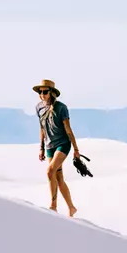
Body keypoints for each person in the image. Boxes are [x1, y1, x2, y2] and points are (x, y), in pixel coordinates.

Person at [33, 78, 81, 217]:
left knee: (50, 171)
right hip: (49, 146)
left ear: (52, 92)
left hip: (63, 144)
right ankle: (71, 208)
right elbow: (42, 128)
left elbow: (68, 128)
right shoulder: (39, 108)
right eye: (40, 92)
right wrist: (41, 148)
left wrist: (76, 149)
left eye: (45, 92)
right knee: (58, 177)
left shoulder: (61, 107)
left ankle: (53, 206)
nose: (42, 94)